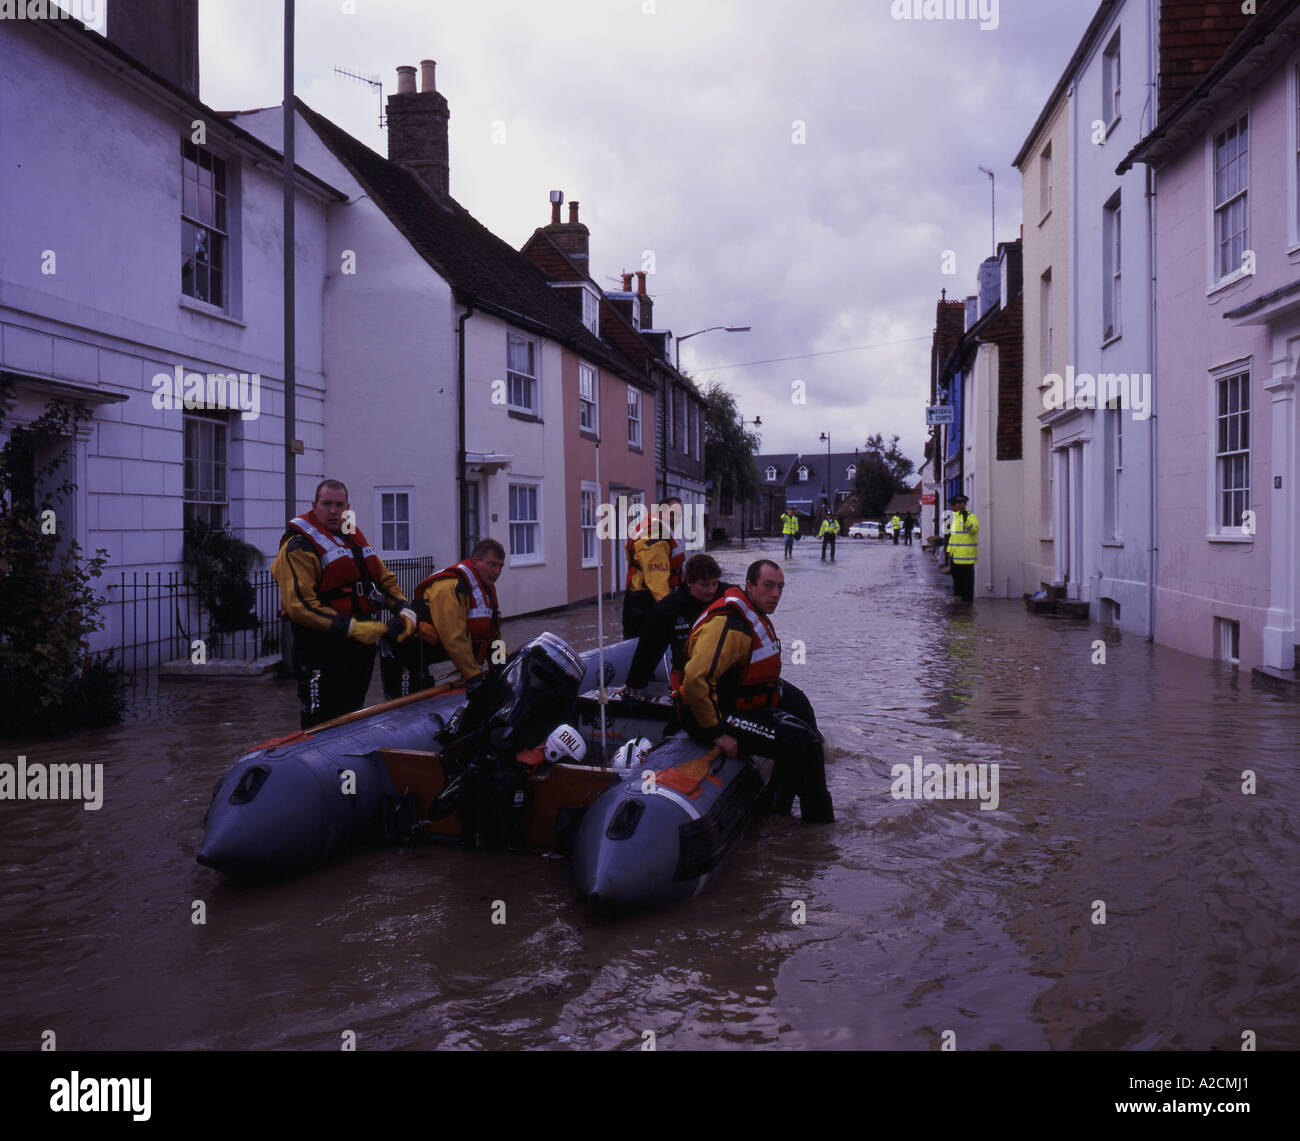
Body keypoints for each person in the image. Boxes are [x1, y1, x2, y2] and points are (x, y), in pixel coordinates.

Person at [677, 558, 834, 823]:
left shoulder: (751, 613)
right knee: (805, 744)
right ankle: (817, 826)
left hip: (735, 697)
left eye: (780, 588)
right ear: (749, 586)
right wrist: (717, 734)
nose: (775, 595)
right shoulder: (730, 625)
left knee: (798, 705)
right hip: (710, 714)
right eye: (768, 586)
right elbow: (694, 682)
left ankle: (779, 799)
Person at [272, 479, 414, 729]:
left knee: (351, 713)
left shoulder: (353, 537)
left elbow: (383, 578)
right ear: (314, 506)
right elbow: (299, 606)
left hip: (358, 646)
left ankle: (347, 764)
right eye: (327, 504)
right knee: (320, 721)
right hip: (320, 646)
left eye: (339, 505)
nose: (334, 510)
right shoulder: (299, 547)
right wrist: (350, 627)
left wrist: (403, 607)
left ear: (347, 507)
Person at [381, 538, 505, 698]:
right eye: (492, 564)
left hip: (427, 646)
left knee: (424, 693)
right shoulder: (451, 586)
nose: (497, 572)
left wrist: (503, 665)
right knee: (405, 703)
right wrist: (474, 676)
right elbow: (454, 637)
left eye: (500, 566)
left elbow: (493, 635)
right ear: (475, 561)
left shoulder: (485, 591)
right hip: (401, 644)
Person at [622, 553, 725, 704]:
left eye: (714, 584)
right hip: (686, 678)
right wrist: (634, 682)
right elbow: (649, 648)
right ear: (689, 582)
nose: (711, 590)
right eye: (704, 585)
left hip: (719, 674)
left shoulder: (726, 596)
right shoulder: (668, 608)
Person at [621, 497, 686, 639]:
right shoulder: (656, 539)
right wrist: (670, 608)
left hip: (640, 598)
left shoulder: (658, 529)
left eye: (679, 514)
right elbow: (657, 580)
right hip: (646, 601)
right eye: (673, 513)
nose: (677, 518)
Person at [945, 493, 979, 603]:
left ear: (965, 504)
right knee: (957, 580)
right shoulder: (955, 518)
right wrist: (949, 550)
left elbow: (974, 530)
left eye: (961, 503)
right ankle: (958, 599)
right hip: (955, 556)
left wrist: (966, 521)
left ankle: (967, 601)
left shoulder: (971, 517)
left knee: (967, 581)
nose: (959, 505)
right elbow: (953, 536)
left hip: (966, 556)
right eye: (957, 503)